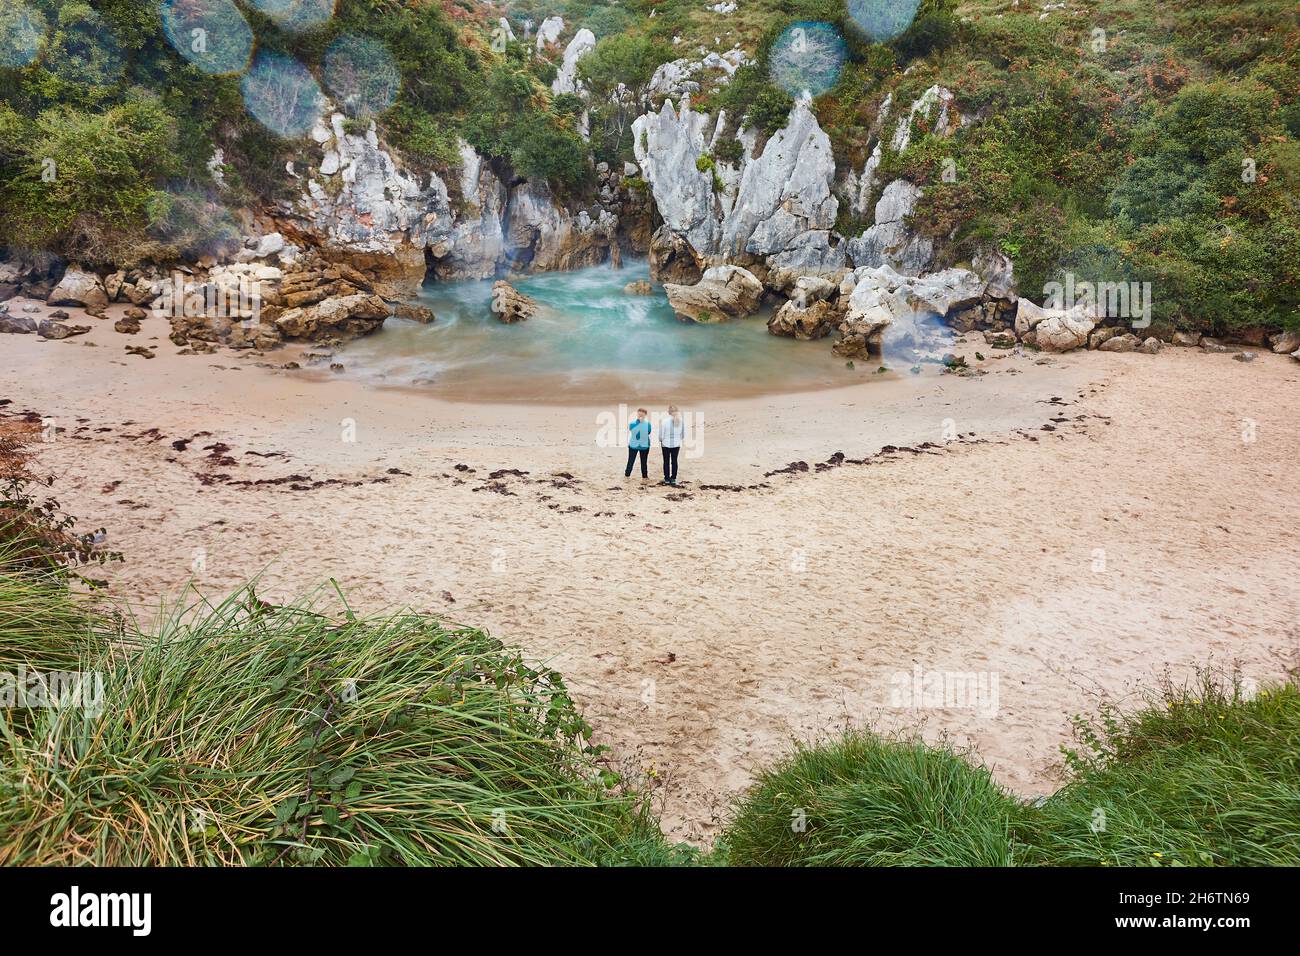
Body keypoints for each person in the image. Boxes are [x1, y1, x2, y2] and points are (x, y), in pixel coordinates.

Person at [660, 404, 683, 485]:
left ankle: (666, 479)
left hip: (665, 444)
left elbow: (661, 435)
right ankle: (673, 479)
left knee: (666, 461)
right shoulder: (681, 421)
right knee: (674, 461)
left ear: (669, 412)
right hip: (676, 444)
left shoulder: (664, 421)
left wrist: (661, 441)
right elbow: (682, 435)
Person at [625, 407, 651, 479]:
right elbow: (635, 433)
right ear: (637, 415)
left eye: (642, 415)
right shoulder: (632, 424)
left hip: (644, 446)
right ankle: (627, 475)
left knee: (644, 462)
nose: (640, 416)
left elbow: (647, 432)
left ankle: (644, 477)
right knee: (631, 461)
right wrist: (639, 423)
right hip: (633, 445)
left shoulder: (648, 424)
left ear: (645, 415)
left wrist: (642, 423)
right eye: (639, 414)